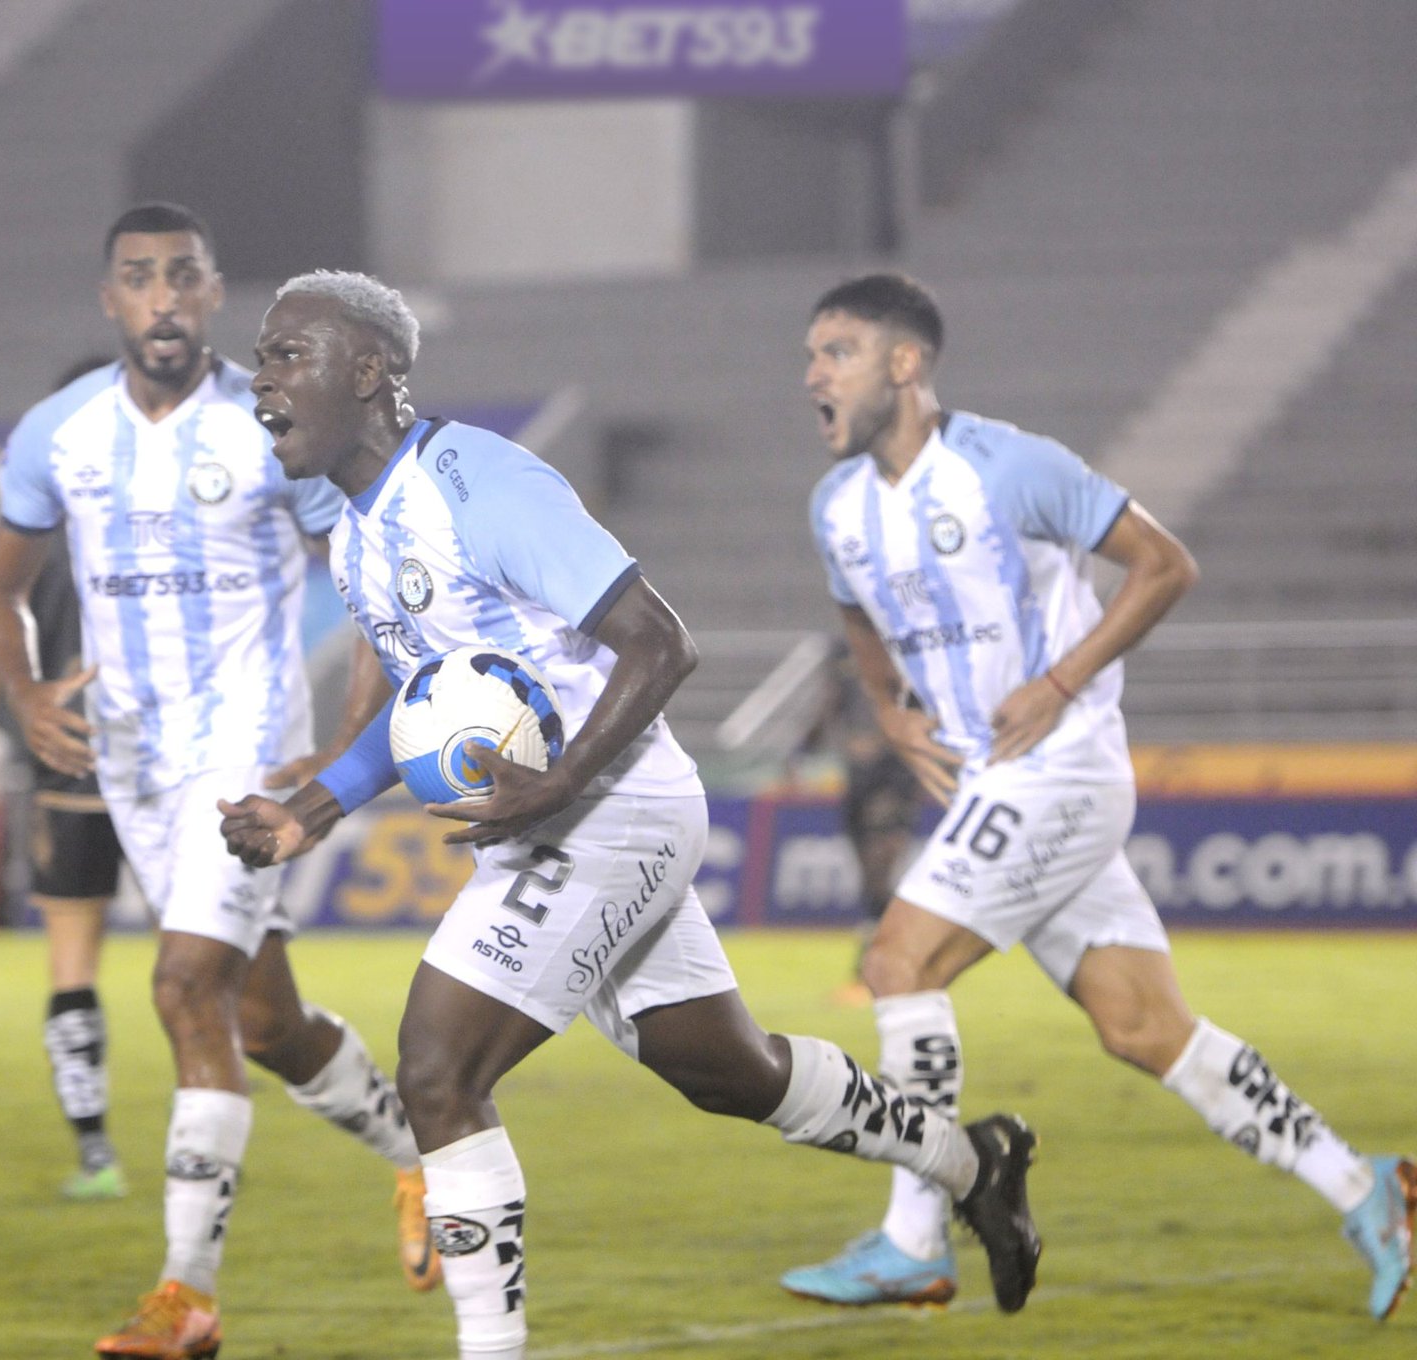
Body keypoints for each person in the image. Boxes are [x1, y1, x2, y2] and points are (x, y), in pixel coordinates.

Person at [216, 270, 1042, 1360]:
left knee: (435, 1069)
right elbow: (423, 708)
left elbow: (661, 641)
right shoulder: (354, 528)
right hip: (562, 818)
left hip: (608, 810)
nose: (260, 380)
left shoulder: (480, 484)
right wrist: (307, 810)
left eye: (284, 356)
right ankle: (972, 1165)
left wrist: (554, 787)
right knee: (725, 1069)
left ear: (367, 373)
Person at [786, 272, 1414, 1319]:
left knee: (894, 957)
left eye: (836, 352)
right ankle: (1370, 1191)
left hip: (1064, 767)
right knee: (1141, 1027)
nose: (811, 373)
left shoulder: (1008, 467)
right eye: (809, 355)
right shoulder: (834, 508)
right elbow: (855, 614)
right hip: (998, 786)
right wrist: (889, 711)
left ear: (904, 365)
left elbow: (1162, 564)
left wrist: (1058, 679)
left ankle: (912, 1237)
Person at [0, 205, 436, 1359]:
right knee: (265, 1020)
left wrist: (348, 741)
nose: (163, 298)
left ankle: (187, 1295)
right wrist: (24, 696)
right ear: (110, 300)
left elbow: (371, 566)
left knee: (184, 988)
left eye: (183, 277)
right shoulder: (57, 435)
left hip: (243, 753)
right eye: (139, 278)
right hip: (126, 763)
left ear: (214, 292)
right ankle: (428, 1159)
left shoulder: (273, 420)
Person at [0, 355, 132, 1202]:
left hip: (67, 764)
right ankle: (213, 1136)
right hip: (168, 769)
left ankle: (96, 1153)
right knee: (219, 966)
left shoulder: (35, 525)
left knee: (72, 965)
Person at [805, 637, 924, 1005]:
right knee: (869, 877)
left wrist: (895, 745)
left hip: (895, 771)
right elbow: (832, 702)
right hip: (857, 775)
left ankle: (874, 972)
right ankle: (894, 964)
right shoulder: (843, 647)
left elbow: (924, 710)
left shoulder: (911, 644)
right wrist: (805, 749)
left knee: (880, 866)